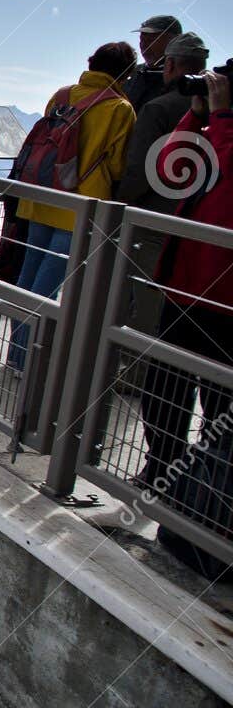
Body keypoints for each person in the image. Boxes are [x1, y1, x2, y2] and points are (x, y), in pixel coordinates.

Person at [139, 64, 233, 576]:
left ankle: (208, 508)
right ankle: (163, 472)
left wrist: (218, 118)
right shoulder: (214, 130)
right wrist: (194, 119)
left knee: (220, 408)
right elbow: (171, 167)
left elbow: (224, 184)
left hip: (225, 302)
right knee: (164, 389)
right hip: (185, 287)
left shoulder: (226, 134)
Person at [7, 42, 137, 371]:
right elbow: (119, 166)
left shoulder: (62, 95)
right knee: (48, 286)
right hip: (80, 209)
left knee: (28, 277)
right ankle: (27, 362)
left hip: (41, 197)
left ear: (91, 63)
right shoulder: (120, 108)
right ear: (126, 73)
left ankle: (16, 355)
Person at [118, 32, 212, 339]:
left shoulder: (158, 108)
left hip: (153, 220)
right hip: (199, 224)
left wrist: (118, 203)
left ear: (169, 65)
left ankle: (138, 375)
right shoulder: (220, 112)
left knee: (145, 297)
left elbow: (139, 171)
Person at [125, 14, 183, 111]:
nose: (143, 44)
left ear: (175, 40)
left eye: (151, 39)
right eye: (141, 39)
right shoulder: (130, 73)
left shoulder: (186, 77)